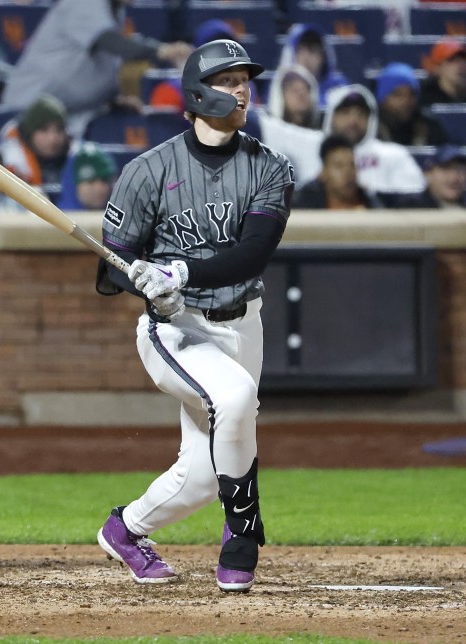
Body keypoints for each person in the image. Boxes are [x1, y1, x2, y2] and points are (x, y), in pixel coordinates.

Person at [94, 40, 294, 593]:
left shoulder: (270, 167)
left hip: (242, 320)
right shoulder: (146, 171)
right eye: (228, 81)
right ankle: (243, 535)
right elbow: (109, 272)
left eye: (244, 81)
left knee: (205, 475)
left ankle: (126, 529)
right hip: (176, 330)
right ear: (199, 93)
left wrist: (179, 270)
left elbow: (253, 252)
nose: (241, 90)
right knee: (233, 399)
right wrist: (143, 280)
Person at [0, 0, 192, 137]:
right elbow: (109, 43)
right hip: (28, 115)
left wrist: (113, 100)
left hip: (70, 116)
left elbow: (102, 63)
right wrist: (161, 50)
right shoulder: (83, 3)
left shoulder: (114, 10)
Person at [320, 85, 426, 199]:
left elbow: (415, 198)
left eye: (361, 114)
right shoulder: (312, 152)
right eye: (345, 112)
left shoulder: (395, 155)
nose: (353, 121)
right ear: (331, 117)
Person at [0, 94, 72, 191]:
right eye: (44, 130)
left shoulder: (79, 157)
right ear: (29, 133)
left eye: (59, 130)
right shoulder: (9, 163)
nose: (53, 138)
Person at [292, 135, 384, 209]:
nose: (348, 173)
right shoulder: (302, 206)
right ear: (323, 173)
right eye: (339, 166)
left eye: (352, 165)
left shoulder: (371, 203)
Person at [374, 62, 448, 147]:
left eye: (411, 94)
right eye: (397, 94)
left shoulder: (430, 126)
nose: (406, 101)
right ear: (382, 99)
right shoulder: (369, 127)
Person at [276, 24, 349, 107]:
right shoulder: (278, 87)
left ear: (324, 57)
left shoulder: (338, 85)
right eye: (300, 50)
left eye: (313, 50)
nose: (306, 58)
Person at [395, 145, 466, 209]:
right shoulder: (411, 207)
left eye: (460, 170)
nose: (454, 178)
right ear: (428, 174)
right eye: (445, 169)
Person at [57, 142, 117, 211]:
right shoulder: (54, 220)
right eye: (91, 181)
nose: (99, 188)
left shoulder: (122, 219)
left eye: (104, 180)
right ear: (73, 184)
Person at [419, 38, 466, 107]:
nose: (461, 66)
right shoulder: (422, 99)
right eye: (452, 60)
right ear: (437, 68)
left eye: (463, 60)